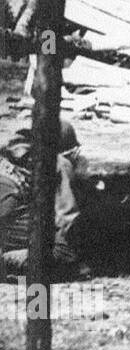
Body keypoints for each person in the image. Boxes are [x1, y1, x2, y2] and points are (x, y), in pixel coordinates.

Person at [0, 119, 82, 278]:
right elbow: (68, 217)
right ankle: (7, 263)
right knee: (66, 254)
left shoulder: (11, 154)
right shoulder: (57, 161)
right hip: (13, 228)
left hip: (7, 227)